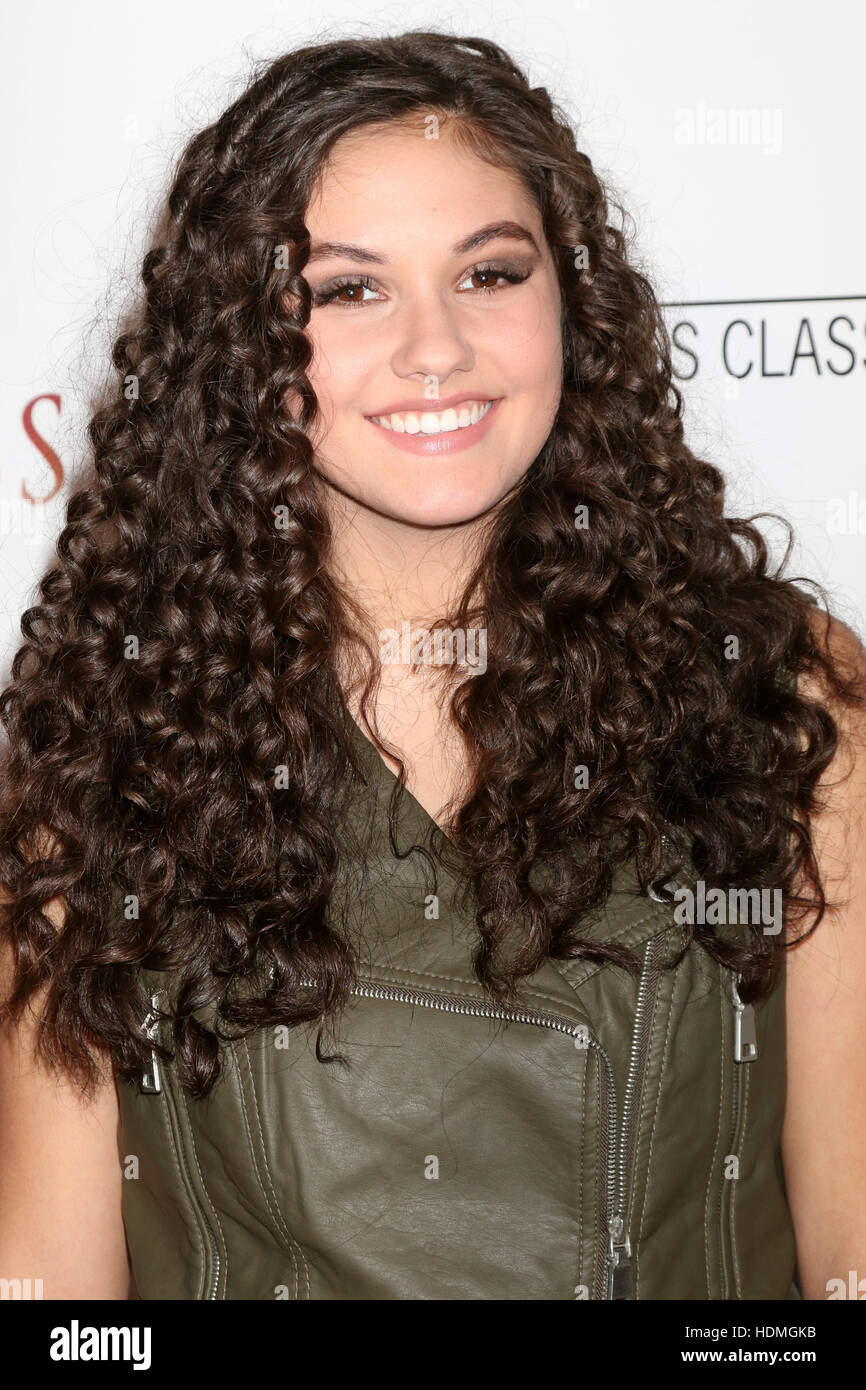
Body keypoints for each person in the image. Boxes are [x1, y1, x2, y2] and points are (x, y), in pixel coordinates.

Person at [1, 31, 864, 1302]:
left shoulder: (780, 692)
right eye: (348, 289)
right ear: (239, 343)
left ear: (570, 301)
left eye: (489, 273)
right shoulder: (105, 743)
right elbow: (59, 1303)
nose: (435, 349)